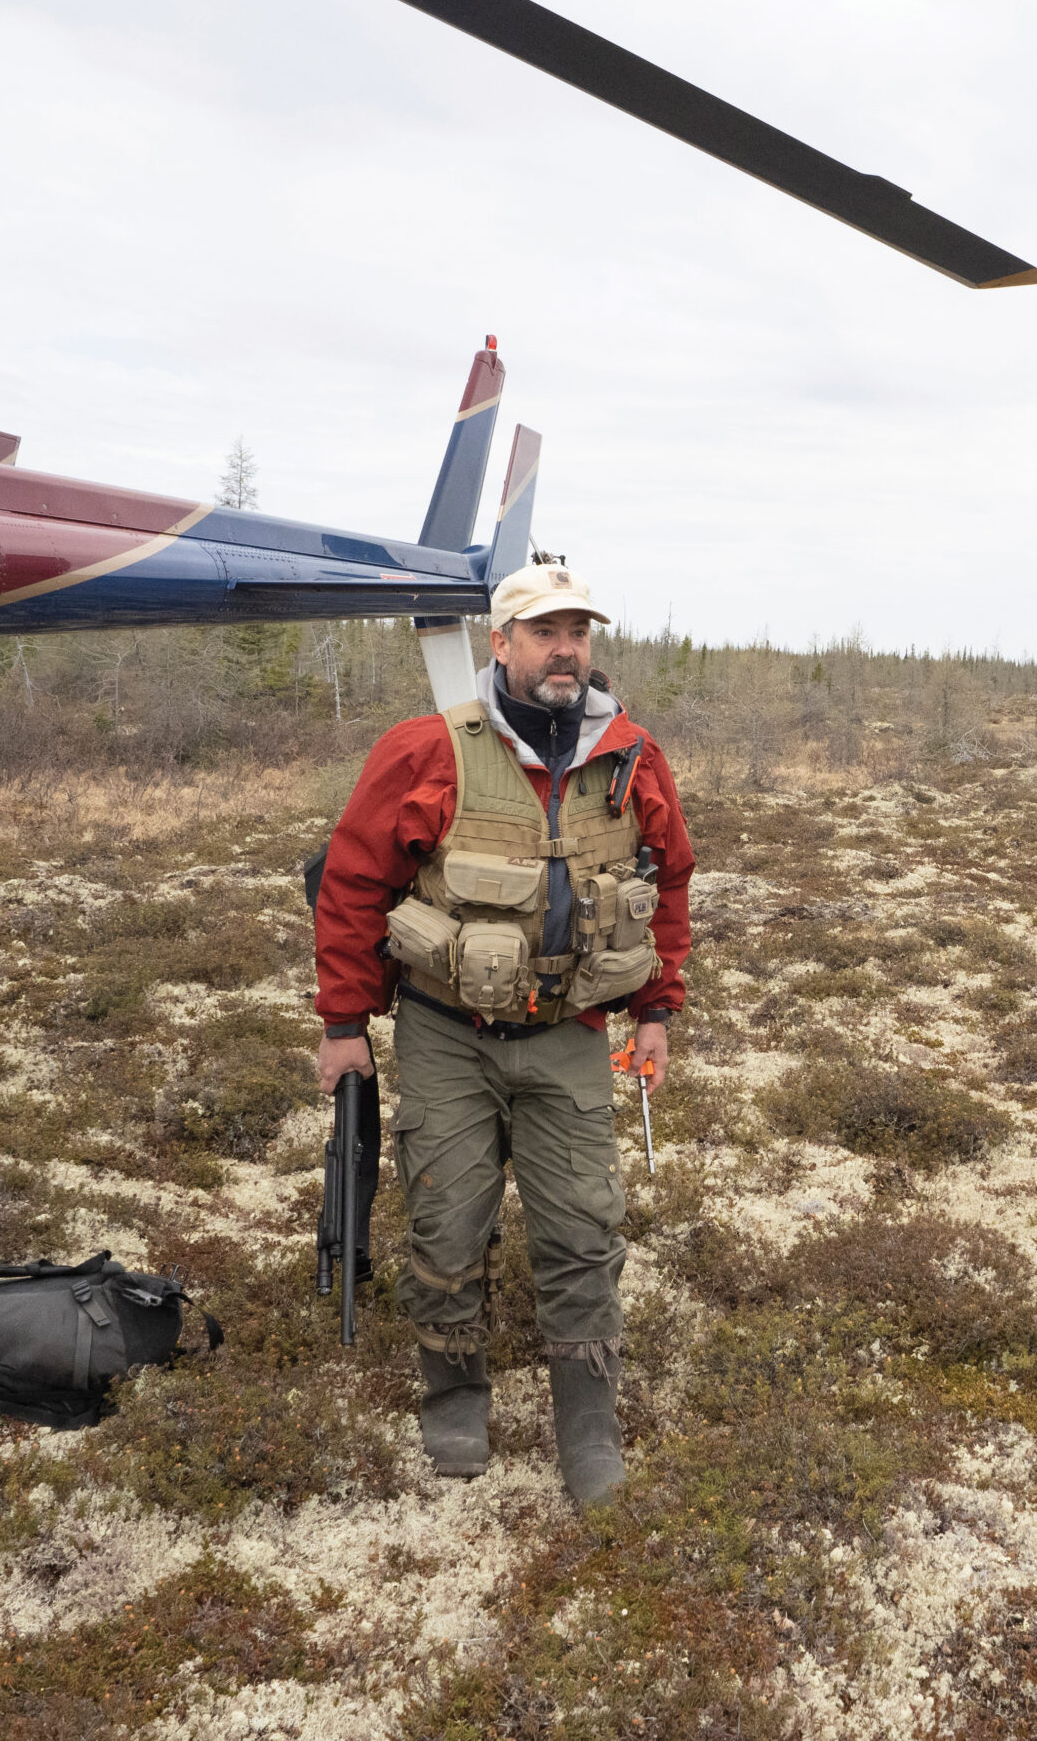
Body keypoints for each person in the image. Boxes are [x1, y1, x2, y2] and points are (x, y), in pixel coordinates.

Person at [313, 561, 694, 1501]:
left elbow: (670, 882)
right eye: (543, 632)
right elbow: (354, 882)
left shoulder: (634, 758)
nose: (564, 650)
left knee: (583, 1231)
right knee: (446, 1223)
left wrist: (656, 1008)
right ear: (501, 643)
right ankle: (452, 1397)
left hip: (571, 1032)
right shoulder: (426, 750)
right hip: (449, 1032)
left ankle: (588, 1424)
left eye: (578, 632)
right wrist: (343, 1022)